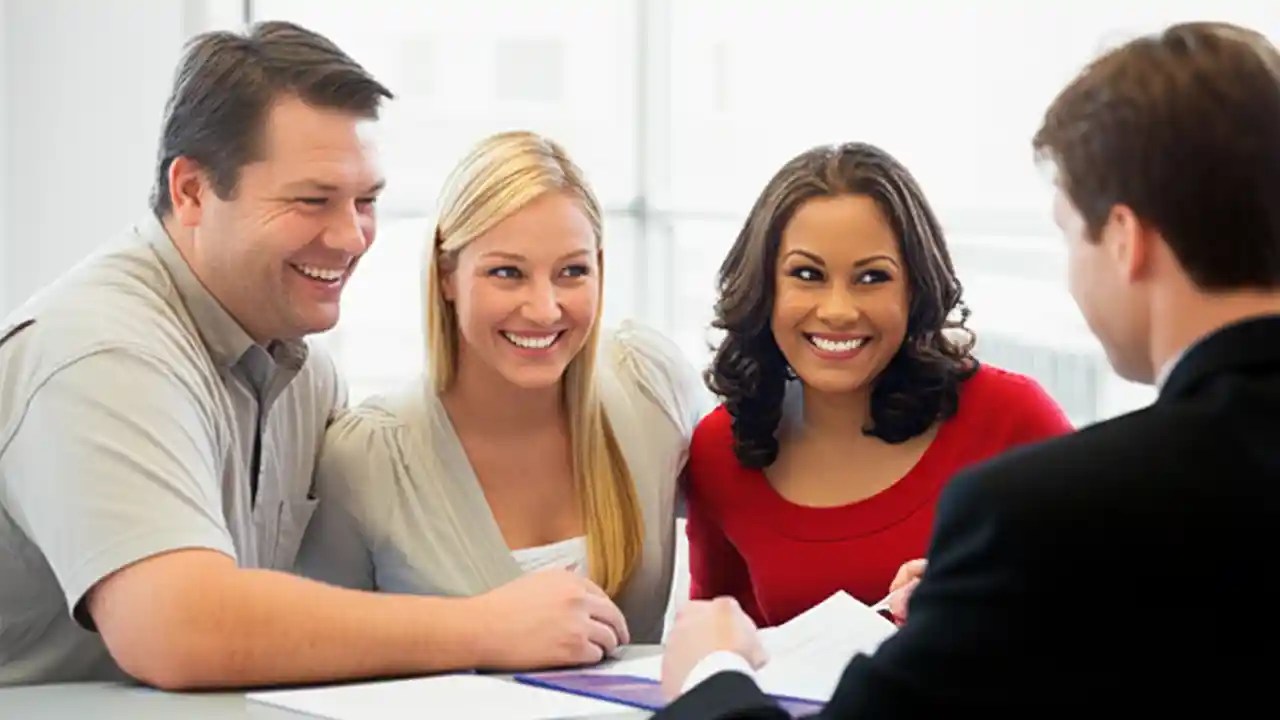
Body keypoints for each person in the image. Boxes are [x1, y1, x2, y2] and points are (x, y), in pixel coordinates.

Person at [656, 20, 1280, 716]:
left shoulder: (1044, 508)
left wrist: (711, 671)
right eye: (806, 274)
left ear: (1125, 241)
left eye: (1068, 232)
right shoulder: (724, 446)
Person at [0, 22, 614, 692]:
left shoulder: (304, 374)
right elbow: (177, 629)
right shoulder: (101, 350)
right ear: (193, 192)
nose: (352, 236)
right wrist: (484, 627)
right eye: (311, 200)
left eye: (367, 201)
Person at [296, 130, 706, 650]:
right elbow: (321, 663)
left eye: (572, 272)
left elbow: (763, 495)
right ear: (447, 273)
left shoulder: (650, 384)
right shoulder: (367, 458)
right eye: (507, 273)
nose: (544, 308)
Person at [684, 141, 1072, 629]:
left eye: (872, 277)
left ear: (915, 289)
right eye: (807, 274)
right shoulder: (721, 450)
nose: (839, 310)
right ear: (764, 287)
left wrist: (988, 605)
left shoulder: (1013, 421)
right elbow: (714, 647)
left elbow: (1115, 607)